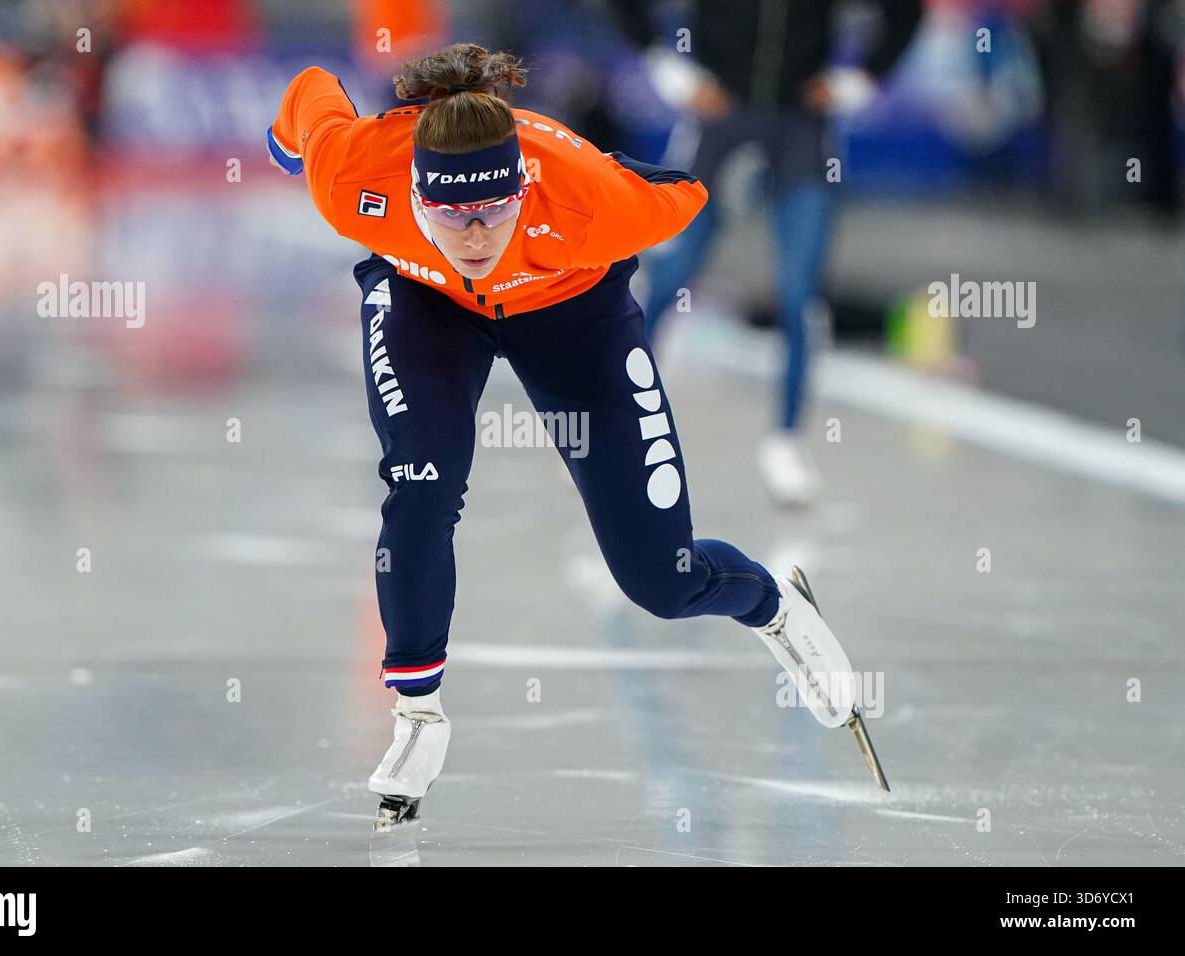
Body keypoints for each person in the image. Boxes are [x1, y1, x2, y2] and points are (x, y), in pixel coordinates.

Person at [267, 43, 869, 830]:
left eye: (497, 210)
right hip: (424, 304)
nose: (478, 234)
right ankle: (418, 713)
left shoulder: (593, 199)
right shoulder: (354, 177)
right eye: (452, 212)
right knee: (420, 484)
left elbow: (687, 190)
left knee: (663, 580)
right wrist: (284, 143)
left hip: (572, 315)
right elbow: (310, 90)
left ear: (524, 190)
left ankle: (772, 606)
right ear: (413, 192)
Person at [610, 0, 923, 506]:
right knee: (669, 276)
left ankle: (787, 439)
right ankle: (618, 427)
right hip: (720, 114)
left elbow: (905, 12)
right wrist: (666, 66)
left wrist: (863, 78)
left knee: (799, 290)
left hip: (801, 121)